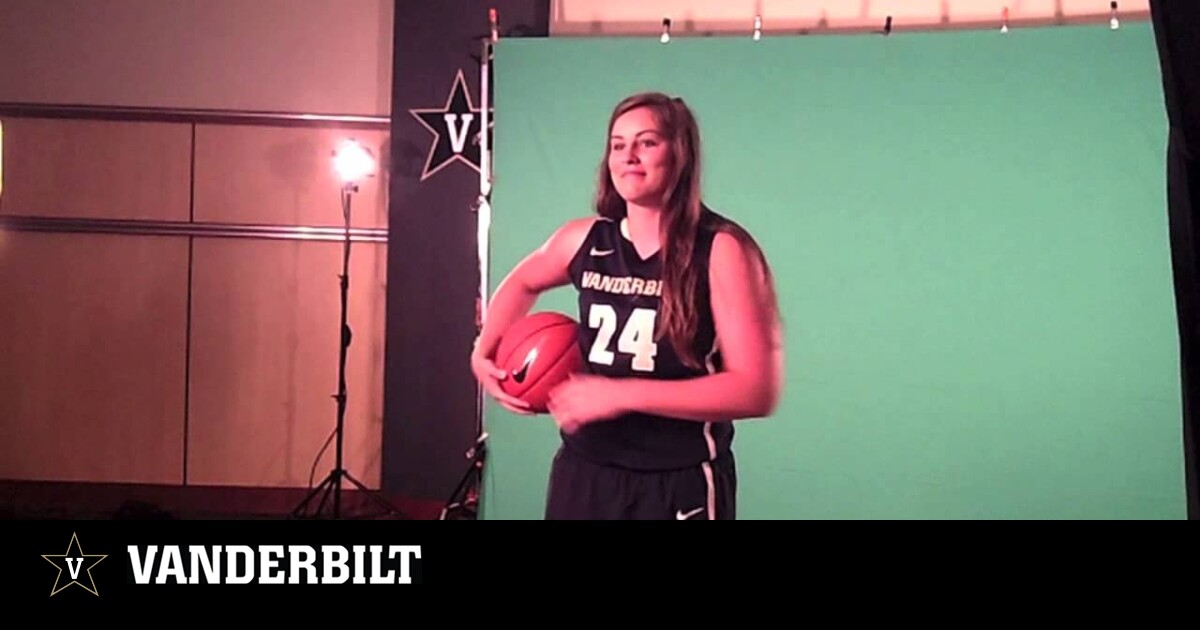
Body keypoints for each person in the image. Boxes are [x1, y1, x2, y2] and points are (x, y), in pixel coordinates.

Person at [470, 91, 783, 520]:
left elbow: (755, 390)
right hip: (585, 473)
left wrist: (620, 394)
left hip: (677, 480)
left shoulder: (720, 249)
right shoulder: (585, 239)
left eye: (647, 142)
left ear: (681, 154)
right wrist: (483, 350)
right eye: (618, 144)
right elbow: (524, 280)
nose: (629, 155)